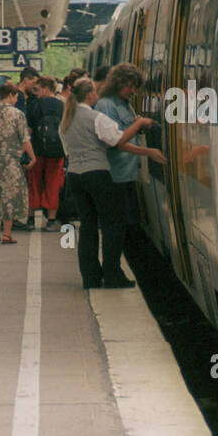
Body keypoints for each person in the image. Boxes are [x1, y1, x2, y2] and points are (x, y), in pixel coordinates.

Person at [58, 78, 158, 289]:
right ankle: (112, 274)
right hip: (97, 174)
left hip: (75, 176)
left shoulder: (66, 121)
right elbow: (118, 140)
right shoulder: (96, 118)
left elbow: (67, 151)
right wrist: (138, 124)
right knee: (113, 224)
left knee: (88, 226)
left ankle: (90, 277)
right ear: (91, 95)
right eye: (95, 91)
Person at [94, 63, 165, 227]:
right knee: (117, 226)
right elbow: (117, 142)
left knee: (128, 224)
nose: (133, 91)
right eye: (130, 86)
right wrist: (140, 128)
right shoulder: (106, 105)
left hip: (127, 174)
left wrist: (137, 125)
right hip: (114, 176)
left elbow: (127, 132)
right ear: (118, 83)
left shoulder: (125, 103)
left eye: (135, 87)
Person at [0, 83, 37, 244]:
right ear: (11, 95)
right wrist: (33, 157)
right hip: (10, 161)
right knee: (9, 195)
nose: (16, 99)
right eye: (16, 96)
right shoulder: (17, 114)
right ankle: (7, 233)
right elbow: (25, 139)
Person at [26, 76, 67, 230]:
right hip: (57, 151)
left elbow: (28, 130)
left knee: (33, 183)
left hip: (36, 151)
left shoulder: (33, 105)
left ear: (46, 88)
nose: (35, 93)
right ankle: (51, 220)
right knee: (53, 183)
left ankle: (30, 219)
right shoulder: (62, 105)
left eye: (37, 89)